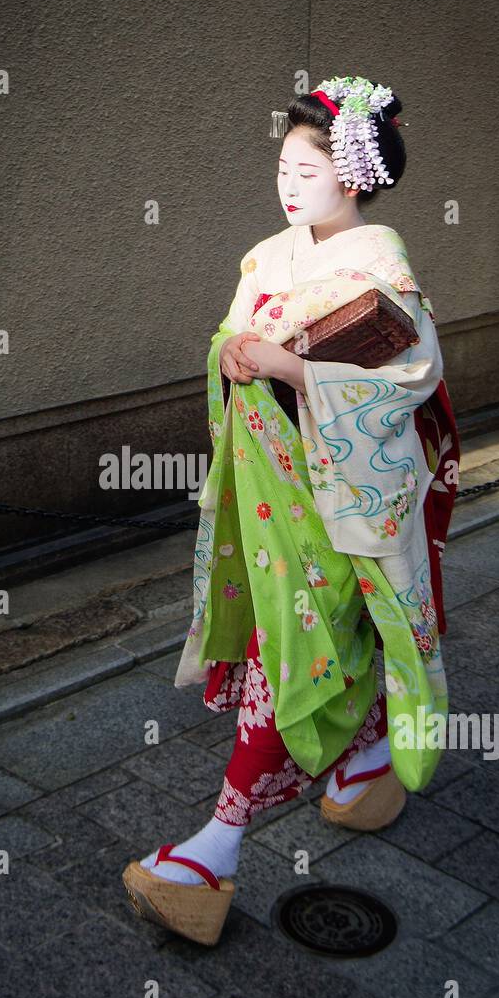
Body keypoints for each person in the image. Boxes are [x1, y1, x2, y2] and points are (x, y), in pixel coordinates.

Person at [122, 76, 460, 947]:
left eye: (305, 171)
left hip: (337, 498)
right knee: (324, 644)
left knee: (302, 649)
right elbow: (235, 347)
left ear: (350, 176)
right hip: (273, 492)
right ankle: (363, 769)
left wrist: (290, 366)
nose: (287, 185)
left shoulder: (379, 271)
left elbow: (405, 383)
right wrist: (233, 353)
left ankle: (211, 855)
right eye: (281, 166)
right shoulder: (273, 255)